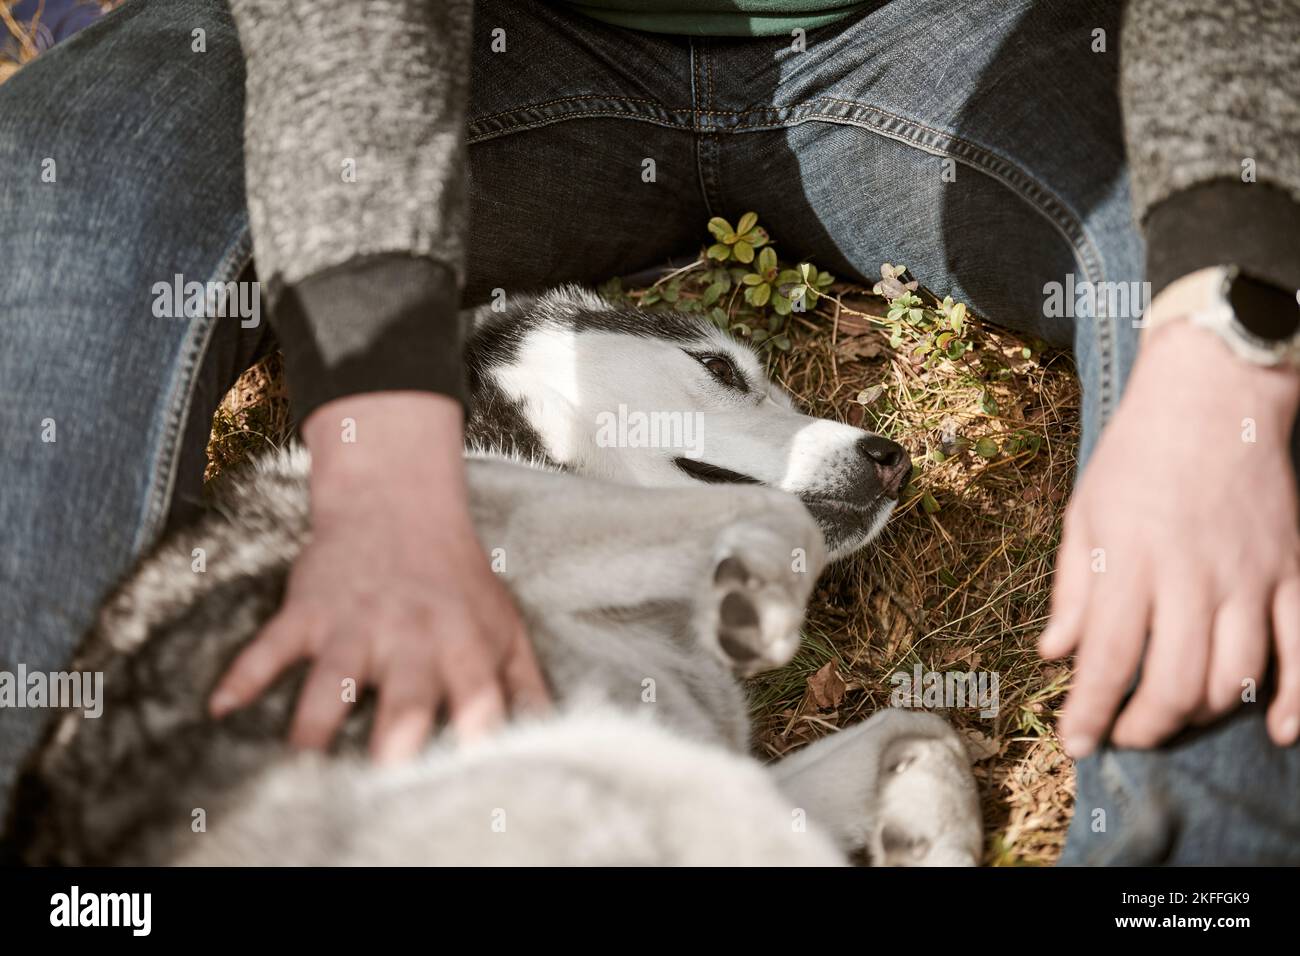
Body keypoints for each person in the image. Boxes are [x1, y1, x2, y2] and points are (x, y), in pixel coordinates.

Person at [1, 0, 1296, 864]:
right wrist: (381, 452)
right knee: (64, 179)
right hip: (487, 41)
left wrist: (1233, 326)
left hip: (949, 41)